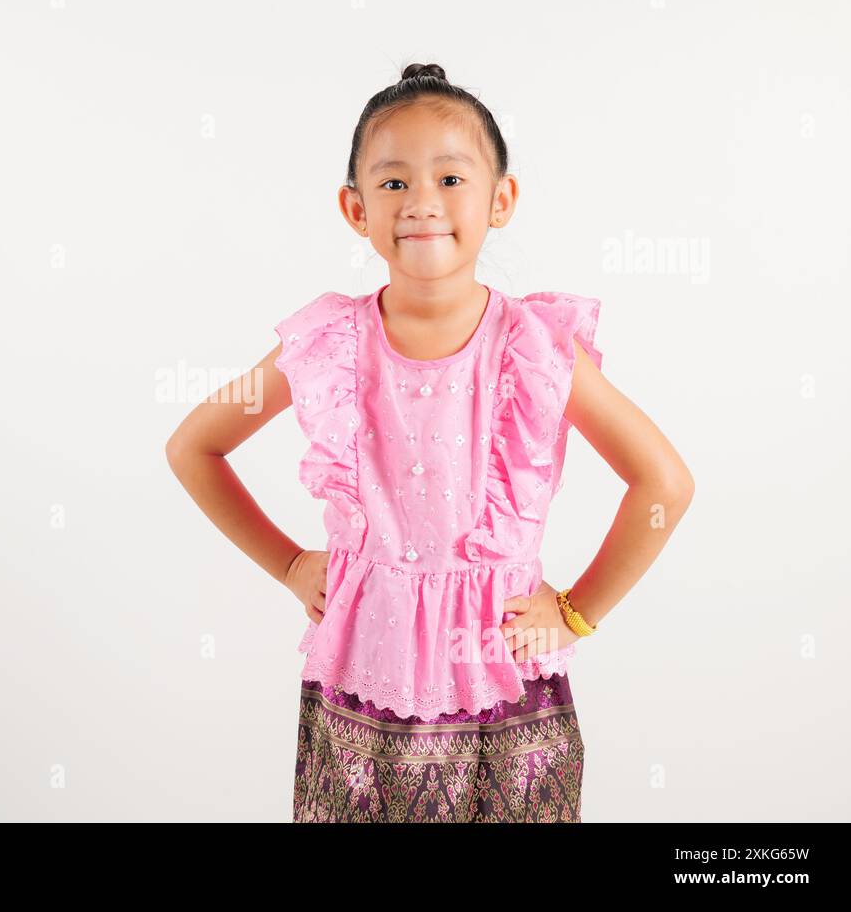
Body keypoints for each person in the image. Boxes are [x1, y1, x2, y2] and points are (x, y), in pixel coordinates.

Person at [165, 62, 695, 822]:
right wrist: (287, 564)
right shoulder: (329, 345)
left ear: (500, 199)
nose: (421, 203)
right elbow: (195, 447)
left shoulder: (536, 351)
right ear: (354, 208)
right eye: (392, 183)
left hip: (503, 683)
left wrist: (576, 612)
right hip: (363, 682)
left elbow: (665, 485)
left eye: (450, 179)